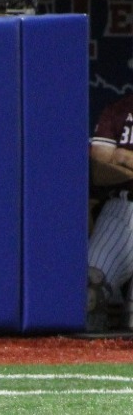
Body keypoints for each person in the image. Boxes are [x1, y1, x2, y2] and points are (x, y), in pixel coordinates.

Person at [84, 95, 133, 331]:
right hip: (123, 210)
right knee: (90, 288)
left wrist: (125, 157)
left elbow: (115, 156)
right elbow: (99, 162)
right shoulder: (119, 110)